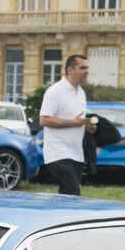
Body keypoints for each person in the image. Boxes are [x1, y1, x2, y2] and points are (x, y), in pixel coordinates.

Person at [38, 54, 96, 197]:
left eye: (87, 68)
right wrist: (72, 123)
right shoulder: (55, 91)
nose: (86, 71)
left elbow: (78, 121)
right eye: (82, 68)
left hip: (76, 154)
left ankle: (54, 218)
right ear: (70, 70)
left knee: (68, 197)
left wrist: (88, 127)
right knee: (72, 193)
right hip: (58, 153)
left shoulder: (81, 93)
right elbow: (43, 120)